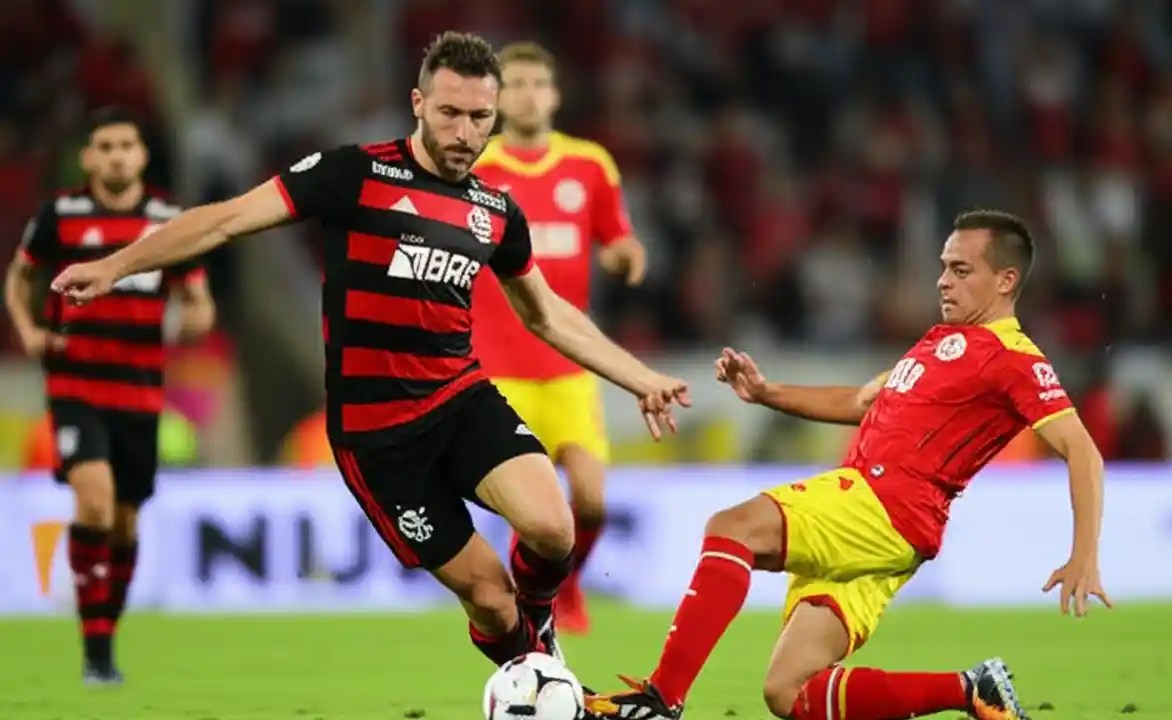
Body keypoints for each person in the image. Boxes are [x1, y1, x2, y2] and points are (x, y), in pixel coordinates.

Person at [49, 32, 688, 673]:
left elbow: (546, 315)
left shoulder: (495, 210)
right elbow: (222, 219)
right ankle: (541, 678)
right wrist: (117, 265)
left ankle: (541, 630)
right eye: (450, 113)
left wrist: (639, 378)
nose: (466, 132)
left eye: (480, 118)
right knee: (491, 601)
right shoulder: (354, 174)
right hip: (377, 436)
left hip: (460, 399)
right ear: (417, 102)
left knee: (555, 528)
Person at [587, 211, 1111, 720]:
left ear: (1006, 280)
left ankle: (661, 700)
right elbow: (862, 401)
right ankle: (972, 689)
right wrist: (767, 392)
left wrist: (1083, 553)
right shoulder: (940, 343)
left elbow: (1081, 449)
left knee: (732, 528)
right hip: (889, 534)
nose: (943, 281)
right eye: (944, 266)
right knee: (789, 692)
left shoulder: (1016, 359)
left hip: (881, 505)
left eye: (961, 269)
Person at [4, 107, 215, 684]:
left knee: (123, 523)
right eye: (106, 145)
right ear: (88, 157)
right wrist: (27, 331)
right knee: (93, 501)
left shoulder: (169, 221)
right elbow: (18, 279)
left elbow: (199, 299)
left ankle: (105, 636)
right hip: (76, 385)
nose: (118, 155)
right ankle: (94, 650)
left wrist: (194, 316)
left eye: (127, 144)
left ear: (142, 155)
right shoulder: (61, 217)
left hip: (141, 395)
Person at [470, 41, 647, 635]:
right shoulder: (477, 167)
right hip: (498, 367)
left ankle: (564, 589)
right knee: (534, 506)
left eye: (536, 84)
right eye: (513, 84)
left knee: (591, 501)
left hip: (569, 368)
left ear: (555, 94)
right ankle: (535, 602)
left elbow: (616, 236)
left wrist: (626, 256)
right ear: (496, 97)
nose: (526, 95)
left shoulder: (589, 165)